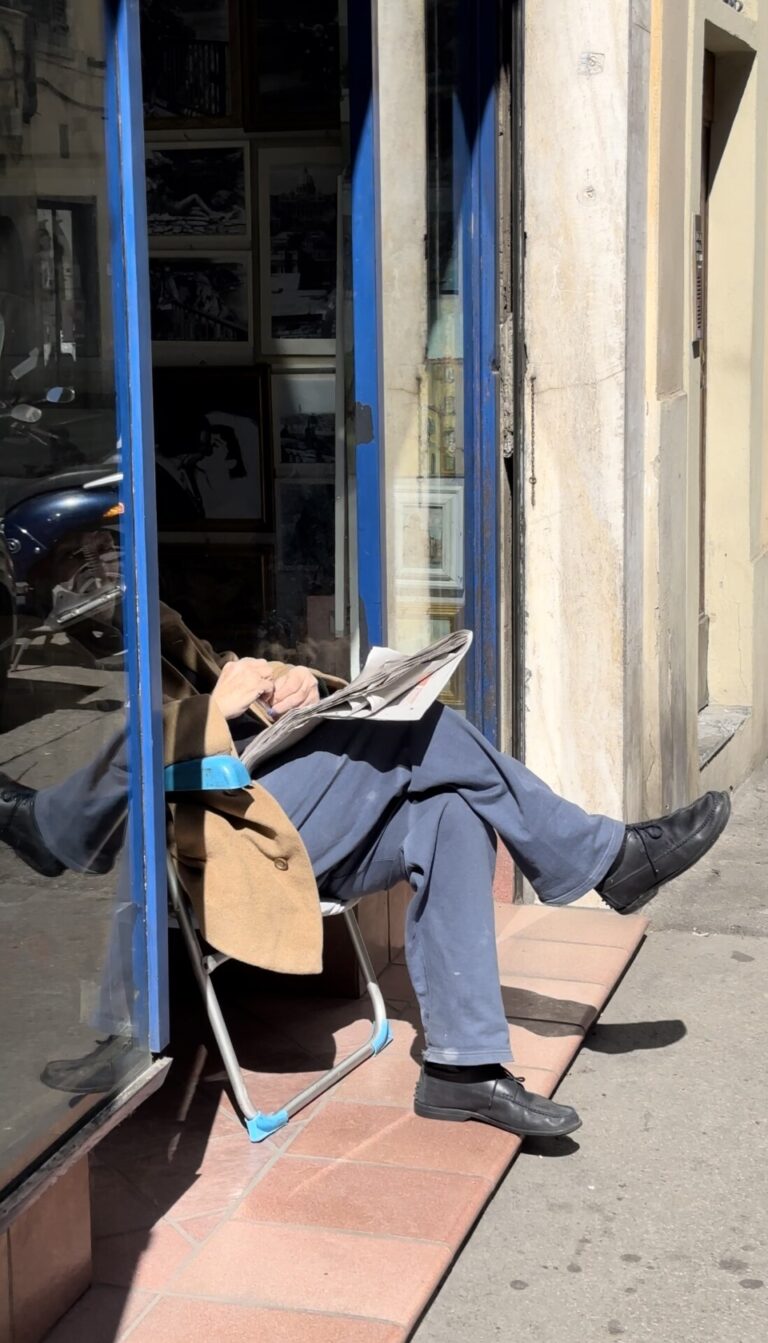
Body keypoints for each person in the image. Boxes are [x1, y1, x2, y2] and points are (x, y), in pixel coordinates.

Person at [0, 605, 731, 1136]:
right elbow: (163, 754)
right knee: (428, 728)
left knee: (453, 810)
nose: (104, 558)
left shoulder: (160, 626)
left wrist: (293, 683)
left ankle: (462, 1068)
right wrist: (216, 709)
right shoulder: (110, 686)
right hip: (225, 845)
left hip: (281, 818)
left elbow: (229, 698)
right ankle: (606, 857)